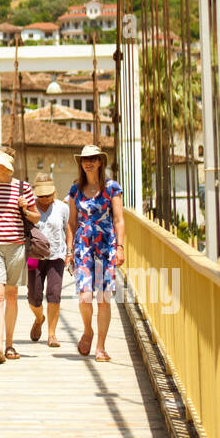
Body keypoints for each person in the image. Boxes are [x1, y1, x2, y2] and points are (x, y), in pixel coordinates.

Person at [0, 148, 39, 364]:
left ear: (5, 167)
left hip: (17, 247)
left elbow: (36, 217)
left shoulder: (23, 188)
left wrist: (25, 208)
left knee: (11, 295)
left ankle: (10, 343)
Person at [67, 144, 125, 362]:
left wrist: (120, 247)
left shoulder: (112, 188)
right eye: (84, 159)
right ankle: (87, 330)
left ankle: (100, 347)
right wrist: (69, 250)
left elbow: (119, 219)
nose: (88, 162)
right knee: (85, 297)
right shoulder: (75, 189)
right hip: (83, 248)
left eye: (92, 158)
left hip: (106, 248)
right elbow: (71, 222)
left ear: (101, 161)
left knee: (103, 299)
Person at [27, 173, 69, 346]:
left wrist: (70, 252)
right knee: (34, 297)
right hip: (34, 257)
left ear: (54, 192)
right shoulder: (29, 208)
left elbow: (68, 229)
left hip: (56, 255)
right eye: (41, 196)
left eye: (48, 195)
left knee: (54, 294)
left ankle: (52, 334)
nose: (44, 199)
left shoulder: (62, 207)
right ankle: (39, 319)